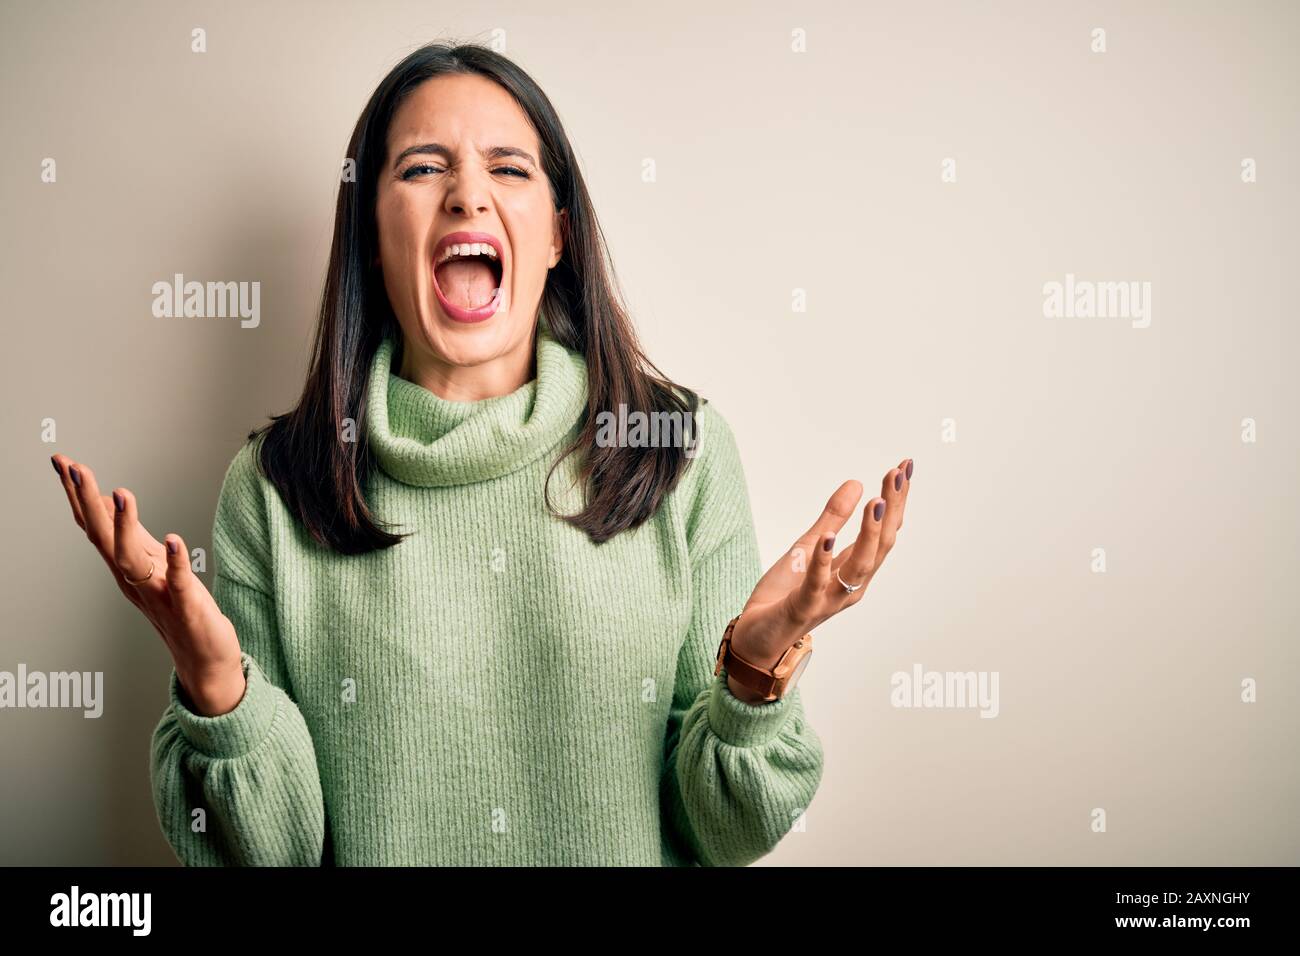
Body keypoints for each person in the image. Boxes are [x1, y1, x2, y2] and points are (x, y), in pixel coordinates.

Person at [50, 42, 913, 866]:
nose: (466, 196)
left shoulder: (676, 451)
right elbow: (270, 854)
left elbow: (725, 834)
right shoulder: (277, 487)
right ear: (370, 236)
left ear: (556, 236)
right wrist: (217, 689)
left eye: (508, 168)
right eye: (423, 168)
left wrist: (753, 676)